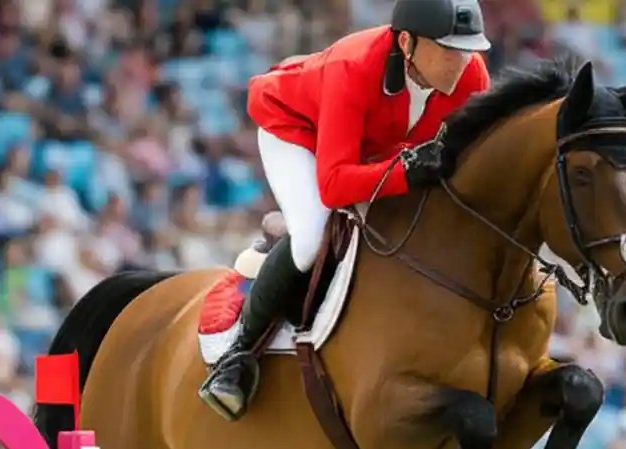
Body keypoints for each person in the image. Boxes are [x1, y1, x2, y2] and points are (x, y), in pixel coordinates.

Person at [198, 0, 493, 421]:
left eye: (467, 51)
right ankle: (238, 355)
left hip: (377, 149)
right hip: (299, 132)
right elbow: (335, 185)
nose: (460, 64)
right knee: (312, 238)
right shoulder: (354, 66)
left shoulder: (472, 77)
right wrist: (405, 174)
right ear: (406, 42)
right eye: (448, 51)